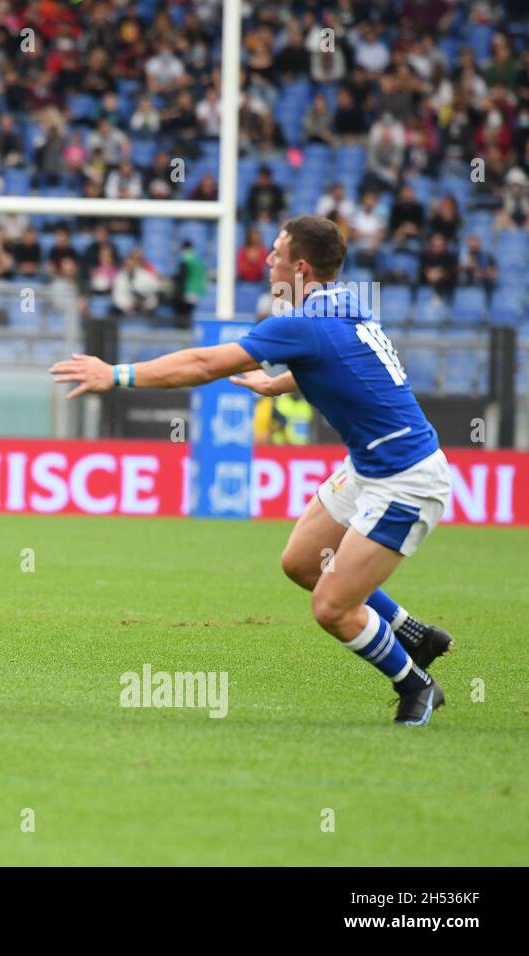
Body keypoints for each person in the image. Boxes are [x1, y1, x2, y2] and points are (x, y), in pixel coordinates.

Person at [51, 216, 453, 727]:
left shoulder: (302, 323)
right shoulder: (345, 303)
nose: (267, 261)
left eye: (277, 253)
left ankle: (416, 685)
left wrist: (117, 374)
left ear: (300, 266)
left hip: (406, 479)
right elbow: (348, 363)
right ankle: (412, 633)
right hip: (371, 465)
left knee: (332, 607)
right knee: (304, 562)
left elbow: (203, 364)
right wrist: (280, 383)